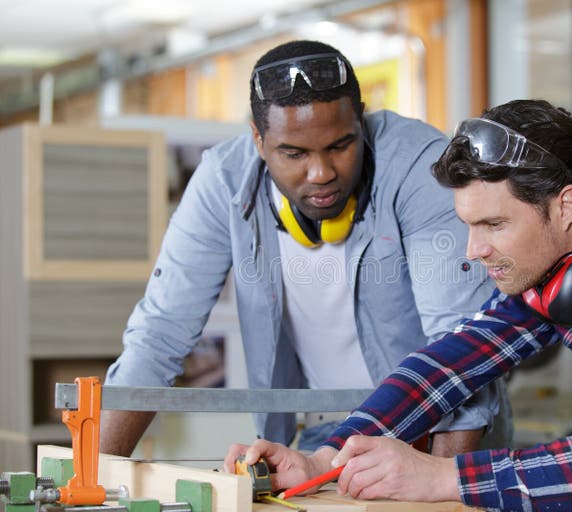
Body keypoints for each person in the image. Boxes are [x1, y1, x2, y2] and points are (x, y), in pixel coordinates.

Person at [226, 99, 572, 512]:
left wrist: (445, 478)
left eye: (493, 224)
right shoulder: (556, 262)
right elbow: (451, 361)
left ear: (566, 205)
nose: (474, 249)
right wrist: (329, 457)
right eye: (469, 224)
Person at [99, 40, 507, 458]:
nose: (321, 172)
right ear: (258, 140)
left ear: (360, 121)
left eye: (340, 146)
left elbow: (460, 344)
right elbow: (160, 334)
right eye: (294, 153)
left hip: (436, 434)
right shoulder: (223, 180)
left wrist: (441, 490)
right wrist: (92, 483)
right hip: (324, 437)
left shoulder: (418, 164)